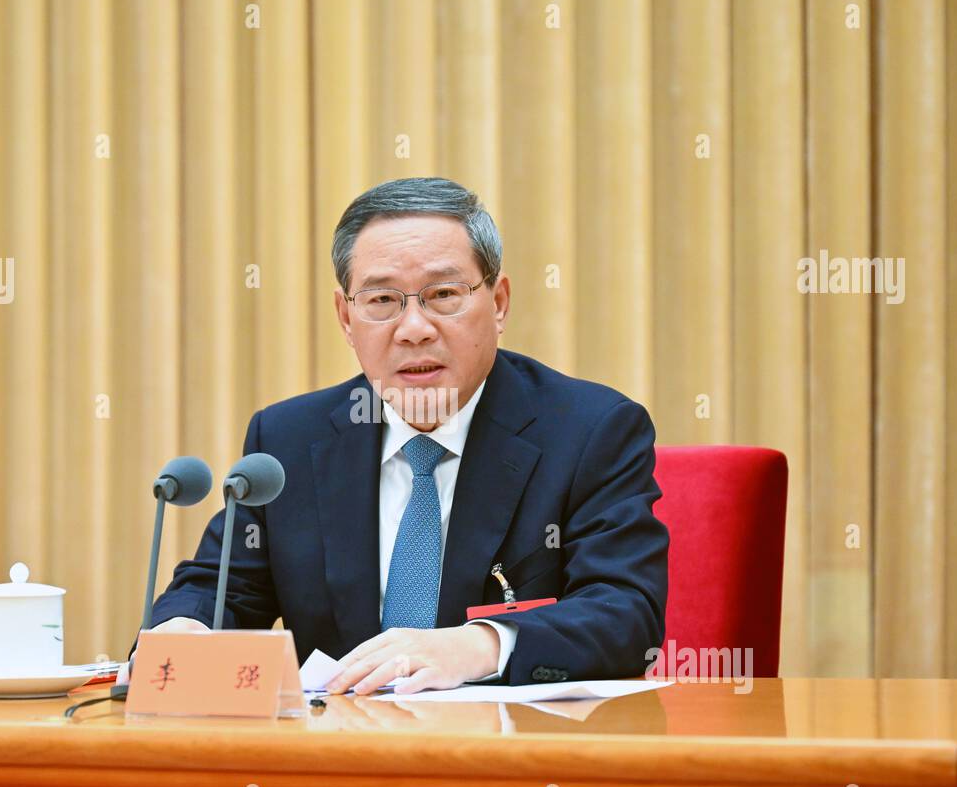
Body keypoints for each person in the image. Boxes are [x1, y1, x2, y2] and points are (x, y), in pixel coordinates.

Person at [133, 177, 668, 694]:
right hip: (338, 761)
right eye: (382, 301)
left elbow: (625, 611)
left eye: (443, 294)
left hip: (511, 760)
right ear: (346, 318)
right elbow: (221, 586)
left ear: (499, 302)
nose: (414, 328)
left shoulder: (589, 431)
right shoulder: (289, 440)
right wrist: (186, 631)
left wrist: (478, 645)